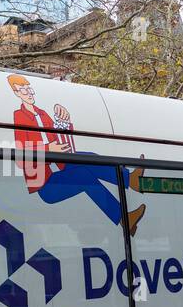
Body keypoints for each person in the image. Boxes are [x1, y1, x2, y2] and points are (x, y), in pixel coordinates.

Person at [8, 75, 147, 234]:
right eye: (23, 89)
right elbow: (22, 156)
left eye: (28, 88)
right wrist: (48, 149)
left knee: (88, 157)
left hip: (61, 168)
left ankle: (130, 181)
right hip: (45, 185)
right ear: (16, 92)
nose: (28, 92)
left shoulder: (43, 114)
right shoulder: (19, 116)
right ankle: (125, 216)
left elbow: (61, 138)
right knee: (84, 175)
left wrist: (64, 121)